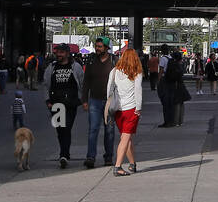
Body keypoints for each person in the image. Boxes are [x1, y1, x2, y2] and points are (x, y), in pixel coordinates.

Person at [45, 44, 84, 168]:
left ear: (67, 53)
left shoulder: (75, 67)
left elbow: (82, 83)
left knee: (66, 128)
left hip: (71, 104)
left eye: (61, 52)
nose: (59, 55)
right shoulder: (52, 67)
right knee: (60, 130)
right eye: (57, 52)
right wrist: (47, 101)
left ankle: (64, 155)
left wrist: (83, 99)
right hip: (56, 104)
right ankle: (64, 153)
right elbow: (46, 85)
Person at [81, 38, 117, 168]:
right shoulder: (91, 61)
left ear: (106, 48)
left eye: (100, 46)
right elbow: (86, 81)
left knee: (110, 130)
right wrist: (84, 100)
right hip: (94, 101)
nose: (97, 48)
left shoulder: (114, 61)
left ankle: (108, 157)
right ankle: (90, 157)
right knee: (93, 129)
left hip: (110, 101)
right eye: (96, 46)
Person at [109, 48, 144, 176]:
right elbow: (138, 92)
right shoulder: (136, 73)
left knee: (126, 137)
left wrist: (109, 105)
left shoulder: (114, 71)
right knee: (125, 138)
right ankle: (117, 166)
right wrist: (138, 108)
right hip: (131, 109)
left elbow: (109, 89)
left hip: (118, 109)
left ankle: (132, 164)